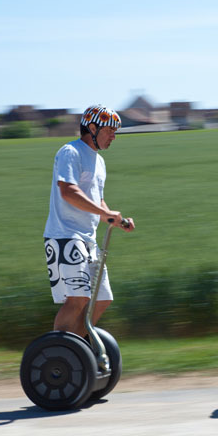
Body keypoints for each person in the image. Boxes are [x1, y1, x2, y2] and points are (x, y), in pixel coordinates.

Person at [43, 104, 135, 338]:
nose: (114, 136)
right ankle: (58, 353)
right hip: (65, 236)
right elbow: (68, 191)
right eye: (109, 131)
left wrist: (116, 219)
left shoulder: (99, 162)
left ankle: (77, 349)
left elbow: (98, 201)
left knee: (103, 299)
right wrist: (105, 215)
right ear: (92, 128)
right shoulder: (70, 152)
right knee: (79, 298)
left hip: (87, 239)